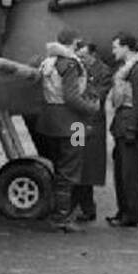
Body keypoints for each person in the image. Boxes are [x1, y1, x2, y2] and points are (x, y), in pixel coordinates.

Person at [36, 27, 100, 231]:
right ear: (74, 43)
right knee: (72, 168)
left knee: (59, 166)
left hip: (50, 121)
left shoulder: (47, 62)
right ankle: (62, 217)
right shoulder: (70, 64)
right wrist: (93, 108)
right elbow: (72, 98)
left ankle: (60, 211)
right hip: (74, 124)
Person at [106, 32, 138, 228]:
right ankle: (123, 211)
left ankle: (131, 215)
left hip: (130, 126)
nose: (113, 51)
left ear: (126, 47)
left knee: (130, 173)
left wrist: (133, 128)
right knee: (121, 172)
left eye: (116, 47)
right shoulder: (125, 69)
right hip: (121, 125)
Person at [70, 39, 111, 222]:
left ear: (93, 55)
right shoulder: (78, 68)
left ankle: (86, 207)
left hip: (91, 124)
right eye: (79, 56)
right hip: (77, 124)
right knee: (74, 160)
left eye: (84, 56)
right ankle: (75, 204)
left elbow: (96, 96)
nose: (82, 60)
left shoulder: (103, 72)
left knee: (87, 166)